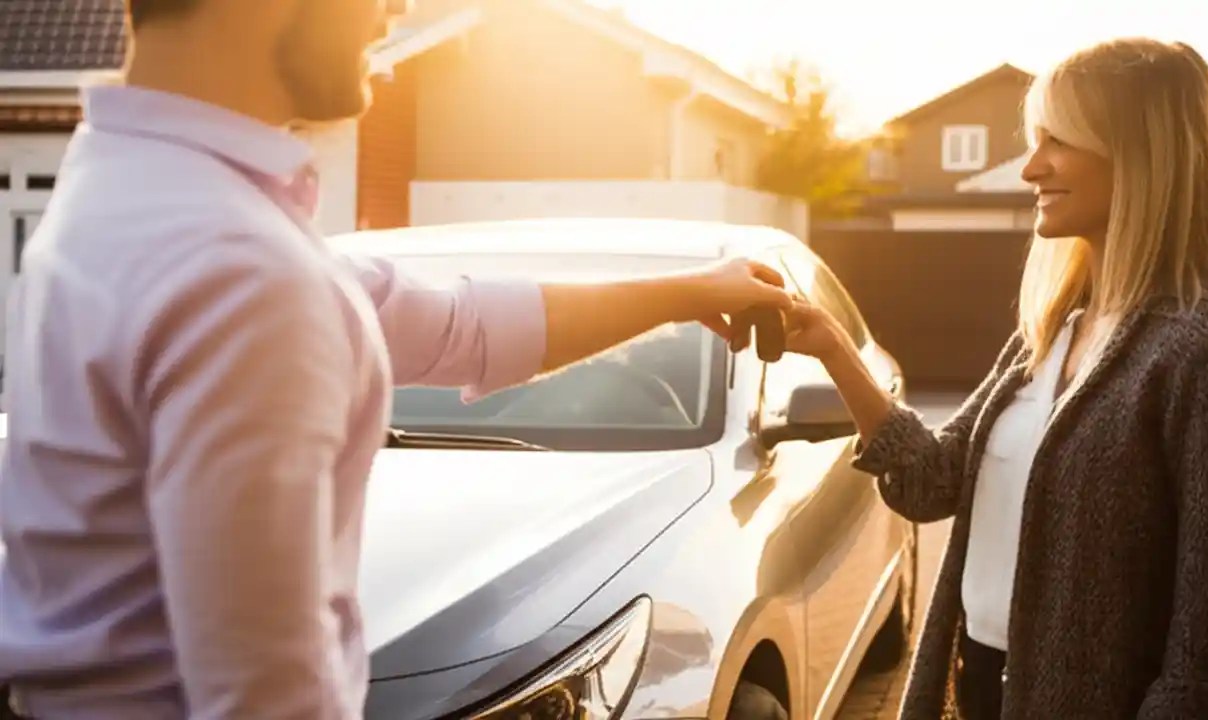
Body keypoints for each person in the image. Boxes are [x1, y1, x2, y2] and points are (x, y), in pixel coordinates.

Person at [0, 1, 792, 718]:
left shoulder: (120, 187)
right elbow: (263, 700)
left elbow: (462, 325)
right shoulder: (239, 270)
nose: (393, 12)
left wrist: (688, 292)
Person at [783, 38, 1208, 719]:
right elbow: (931, 481)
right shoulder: (1051, 330)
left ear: (1138, 154)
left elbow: (1207, 659)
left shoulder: (1205, 346)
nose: (1030, 168)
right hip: (980, 689)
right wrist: (832, 346)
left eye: (1057, 141)